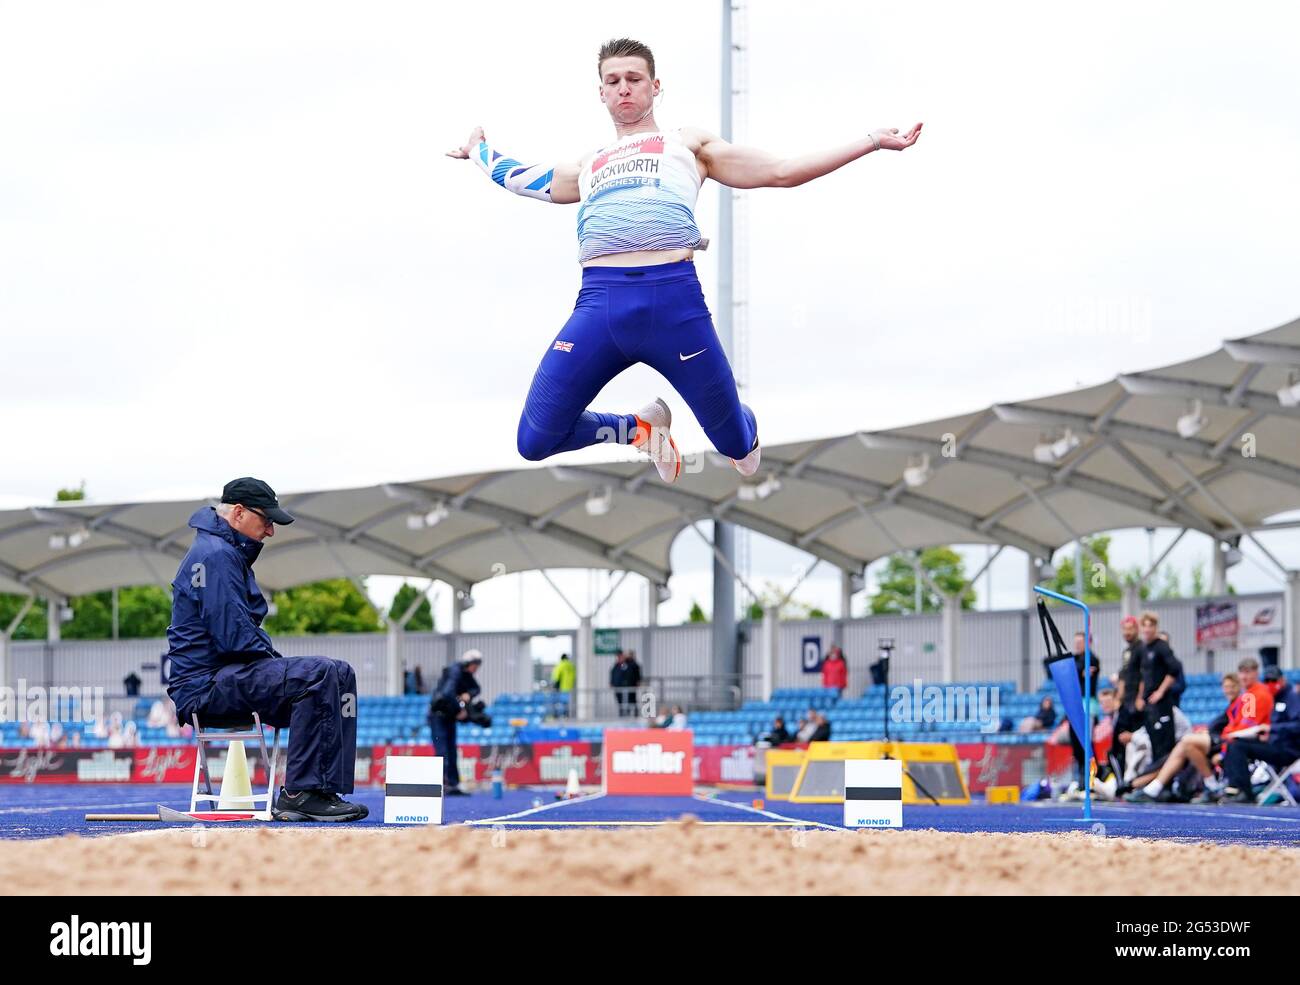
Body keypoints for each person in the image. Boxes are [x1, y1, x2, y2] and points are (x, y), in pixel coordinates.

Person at [448, 37, 922, 483]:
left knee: (740, 450)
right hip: (599, 307)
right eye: (613, 81)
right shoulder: (588, 164)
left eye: (634, 78)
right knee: (534, 440)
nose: (624, 88)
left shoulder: (688, 144)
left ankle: (740, 425)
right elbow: (519, 177)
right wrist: (477, 151)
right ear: (601, 93)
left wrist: (871, 141)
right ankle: (639, 429)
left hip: (673, 306)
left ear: (655, 86)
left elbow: (781, 172)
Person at [165, 478, 365, 822]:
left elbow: (235, 636)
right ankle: (301, 793)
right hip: (206, 686)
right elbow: (234, 638)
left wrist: (277, 665)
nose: (271, 531)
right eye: (266, 520)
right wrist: (277, 663)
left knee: (340, 673)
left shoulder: (220, 552)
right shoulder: (216, 555)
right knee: (319, 673)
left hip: (222, 676)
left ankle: (323, 791)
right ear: (239, 513)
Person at [1122, 672, 1241, 803]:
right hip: (1213, 741)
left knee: (1185, 742)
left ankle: (1146, 787)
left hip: (1223, 742)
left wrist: (1222, 751)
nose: (1229, 690)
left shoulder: (1240, 705)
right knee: (1186, 747)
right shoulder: (1230, 707)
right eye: (1226, 687)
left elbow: (1236, 730)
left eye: (1232, 686)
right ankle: (1212, 786)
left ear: (1239, 687)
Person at [1218, 663, 1294, 804]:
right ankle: (1233, 788)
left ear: (1282, 680)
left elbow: (1296, 726)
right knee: (1235, 743)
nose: (1270, 684)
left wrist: (1272, 729)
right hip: (1273, 743)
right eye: (1267, 681)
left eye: (1273, 681)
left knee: (1237, 745)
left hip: (1288, 750)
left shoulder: (1292, 698)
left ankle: (1243, 791)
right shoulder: (1275, 698)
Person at [428, 651, 483, 796]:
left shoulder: (465, 674)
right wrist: (460, 710)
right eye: (475, 665)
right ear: (469, 663)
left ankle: (453, 784)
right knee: (443, 752)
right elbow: (447, 693)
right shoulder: (455, 671)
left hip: (449, 716)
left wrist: (468, 695)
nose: (476, 669)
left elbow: (476, 689)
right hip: (438, 716)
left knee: (452, 751)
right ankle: (444, 784)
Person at [1134, 611, 1182, 762]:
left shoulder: (1161, 646)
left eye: (1151, 625)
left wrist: (1161, 692)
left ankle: (1166, 781)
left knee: (1165, 743)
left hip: (1162, 703)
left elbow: (1174, 668)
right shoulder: (1143, 648)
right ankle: (1156, 778)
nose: (1147, 629)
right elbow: (1143, 674)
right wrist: (1140, 697)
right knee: (1154, 742)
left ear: (1156, 627)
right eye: (1145, 626)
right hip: (1149, 704)